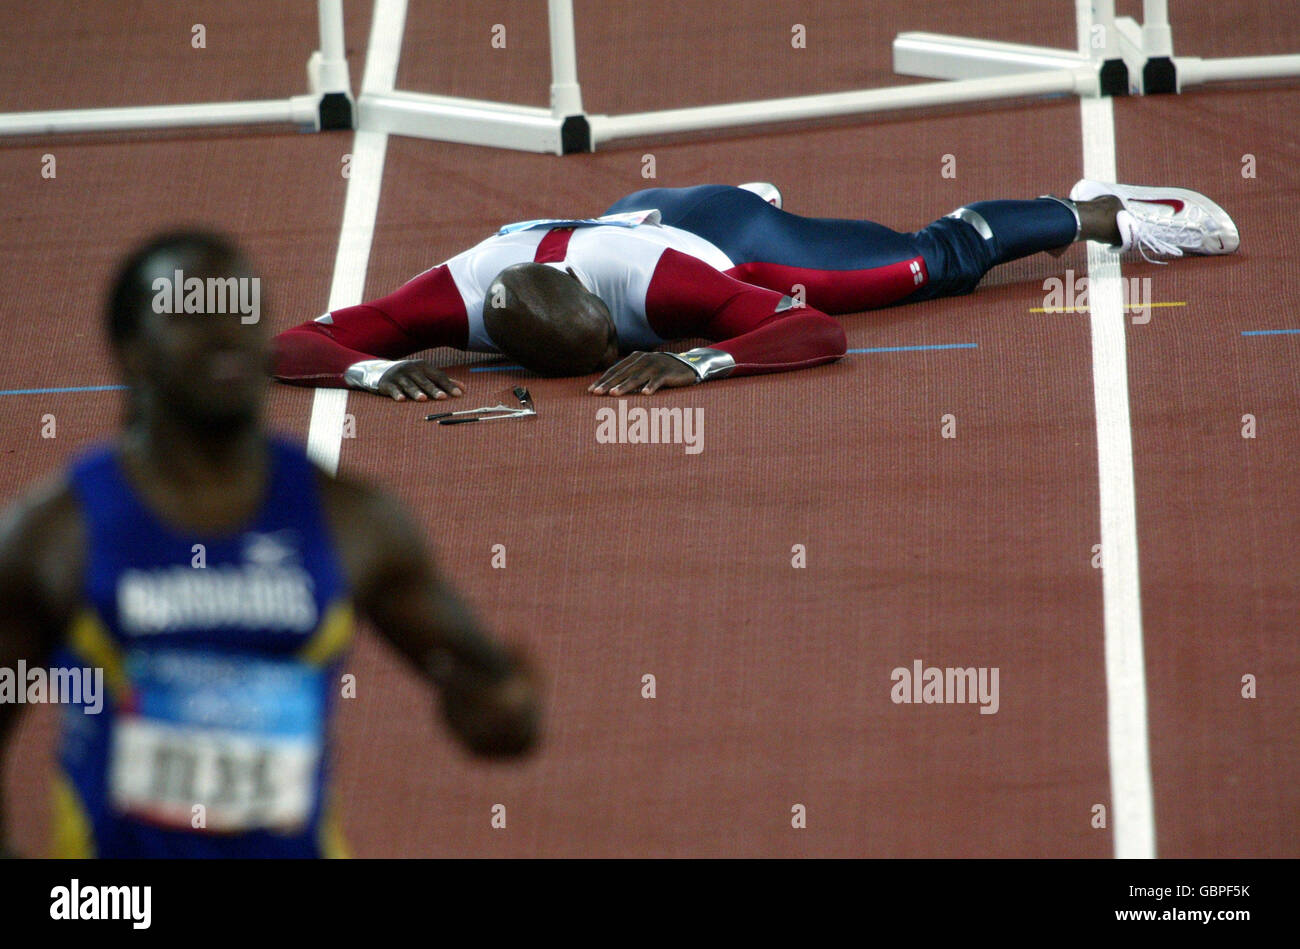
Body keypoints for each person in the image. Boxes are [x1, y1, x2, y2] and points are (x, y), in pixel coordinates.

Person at [0, 232, 540, 858]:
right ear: (130, 353)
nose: (225, 332)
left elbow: (499, 709)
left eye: (243, 311)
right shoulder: (55, 537)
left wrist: (503, 710)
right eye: (190, 315)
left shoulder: (353, 522)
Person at [271, 179, 1239, 399]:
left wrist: (701, 356)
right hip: (629, 214)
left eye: (606, 349)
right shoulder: (452, 296)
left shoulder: (661, 285)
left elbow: (815, 333)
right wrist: (365, 373)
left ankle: (1102, 212)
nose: (609, 362)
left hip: (718, 231)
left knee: (911, 268)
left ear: (611, 321)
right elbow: (287, 346)